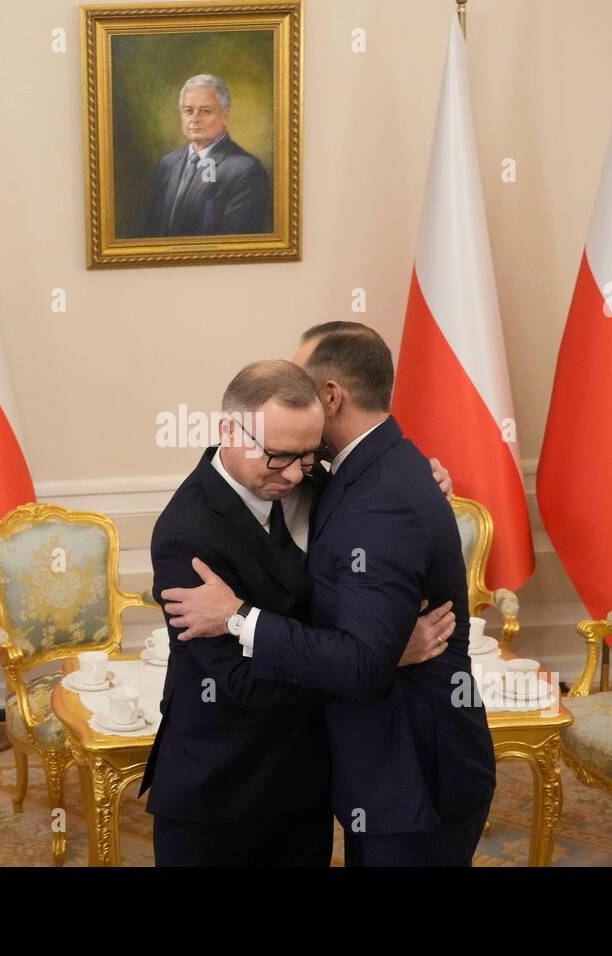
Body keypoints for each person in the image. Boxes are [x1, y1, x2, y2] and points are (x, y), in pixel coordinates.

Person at [166, 322, 497, 866]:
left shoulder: (370, 488)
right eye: (280, 457)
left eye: (299, 457)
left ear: (330, 397)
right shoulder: (194, 528)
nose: (295, 473)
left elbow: (363, 658)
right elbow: (245, 680)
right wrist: (388, 652)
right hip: (226, 781)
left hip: (406, 772)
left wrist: (240, 618)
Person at [142, 74, 271, 237]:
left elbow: (236, 243)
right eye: (188, 111)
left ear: (225, 117)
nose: (195, 119)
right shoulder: (167, 164)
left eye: (205, 111)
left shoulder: (246, 171)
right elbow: (150, 230)